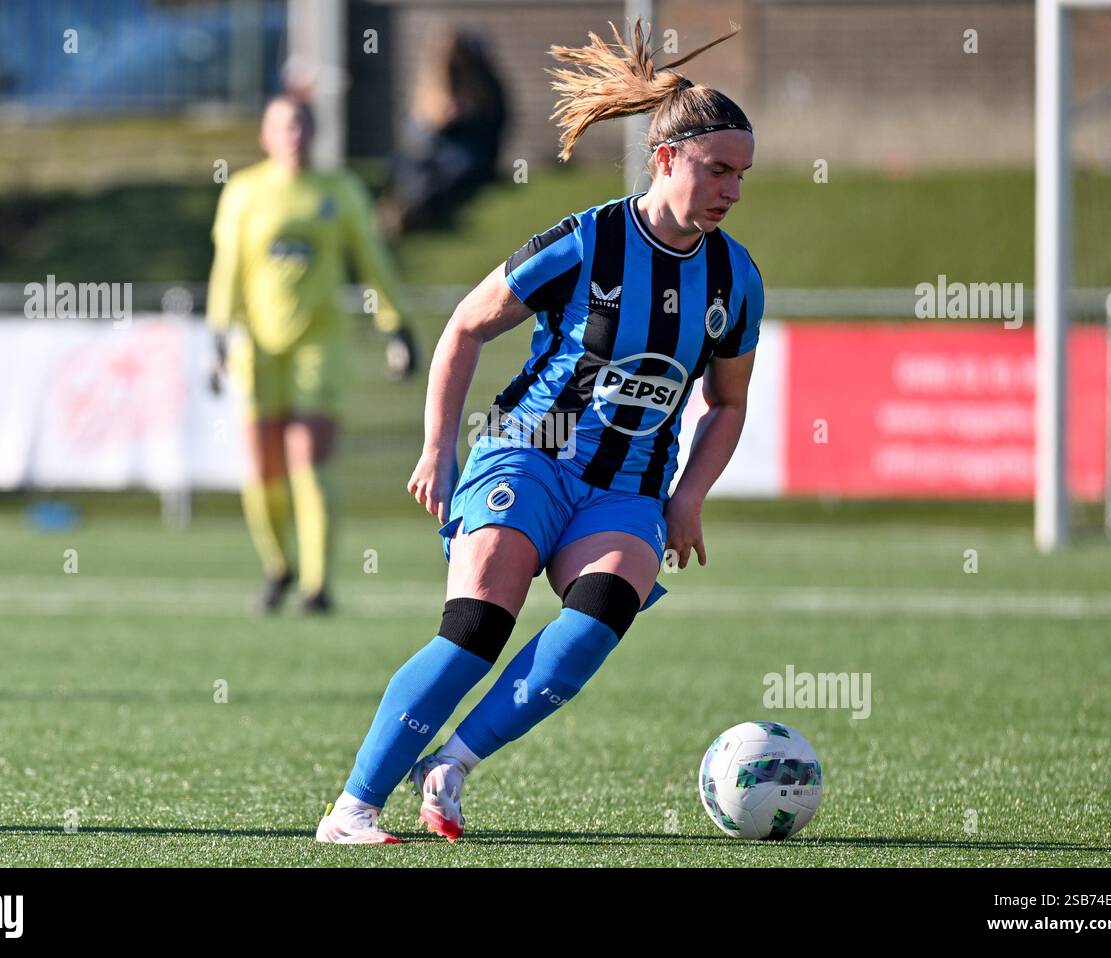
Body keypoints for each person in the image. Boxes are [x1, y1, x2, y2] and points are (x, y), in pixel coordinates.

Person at [316, 19, 760, 843]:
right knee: (479, 627)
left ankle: (452, 765)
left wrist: (689, 497)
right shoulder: (586, 241)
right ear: (665, 159)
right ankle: (352, 809)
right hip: (530, 451)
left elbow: (726, 404)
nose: (732, 189)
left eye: (742, 174)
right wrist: (437, 448)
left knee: (595, 622)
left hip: (628, 487)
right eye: (717, 169)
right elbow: (464, 327)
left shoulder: (737, 278)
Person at [207, 94, 418, 615]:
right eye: (284, 125)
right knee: (263, 471)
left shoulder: (339, 191)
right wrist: (218, 331)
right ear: (266, 135)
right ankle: (279, 566)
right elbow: (228, 266)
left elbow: (372, 260)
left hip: (318, 343)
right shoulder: (243, 192)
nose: (294, 135)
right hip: (257, 345)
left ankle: (318, 586)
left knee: (309, 462)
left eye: (302, 125)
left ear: (314, 133)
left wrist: (397, 325)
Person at [379, 29, 510, 235]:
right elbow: (427, 118)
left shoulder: (482, 83)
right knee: (411, 164)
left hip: (468, 149)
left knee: (444, 170)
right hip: (441, 147)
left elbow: (481, 120)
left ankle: (413, 212)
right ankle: (407, 209)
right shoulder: (438, 79)